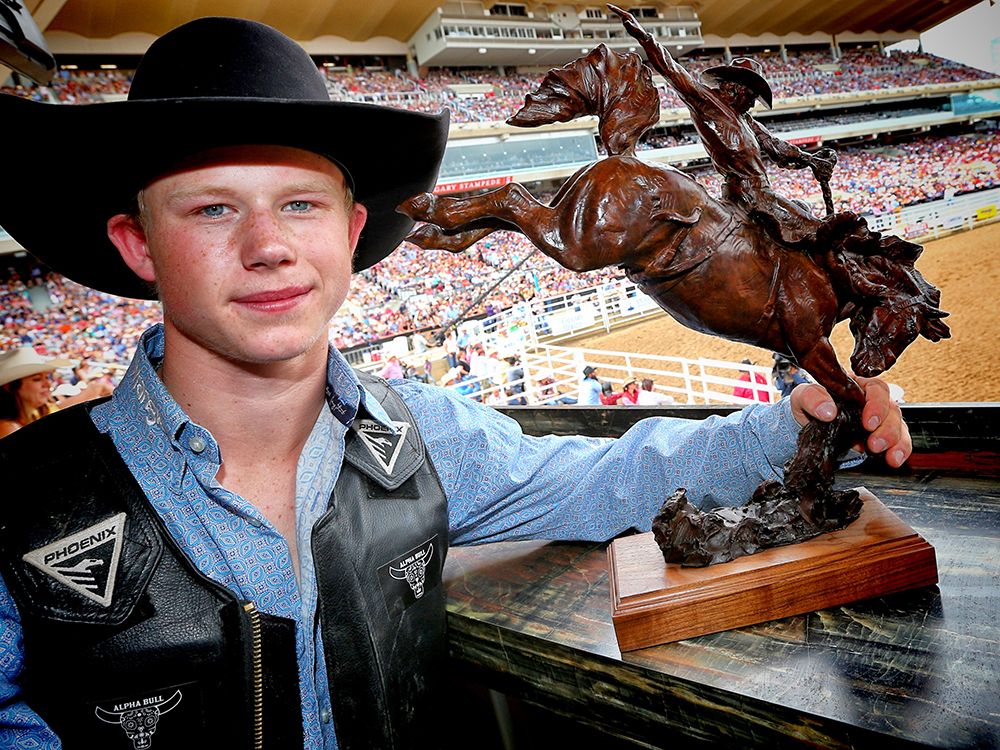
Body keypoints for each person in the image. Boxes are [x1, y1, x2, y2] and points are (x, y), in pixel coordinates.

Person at [0, 17, 910, 750]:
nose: (268, 245)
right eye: (211, 207)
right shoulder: (16, 506)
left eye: (301, 203)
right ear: (135, 245)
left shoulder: (424, 437)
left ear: (351, 232)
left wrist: (793, 418)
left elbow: (606, 480)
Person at [611, 5, 836, 248]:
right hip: (751, 197)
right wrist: (644, 37)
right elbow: (672, 70)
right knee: (823, 234)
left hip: (761, 194)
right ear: (736, 88)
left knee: (806, 212)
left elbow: (776, 147)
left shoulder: (745, 118)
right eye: (752, 95)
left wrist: (811, 160)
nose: (753, 102)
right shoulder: (709, 104)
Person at [0, 347, 111, 438]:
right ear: (9, 387)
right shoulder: (8, 429)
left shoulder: (37, 412)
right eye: (37, 379)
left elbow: (60, 408)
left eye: (47, 378)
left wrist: (96, 389)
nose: (47, 384)